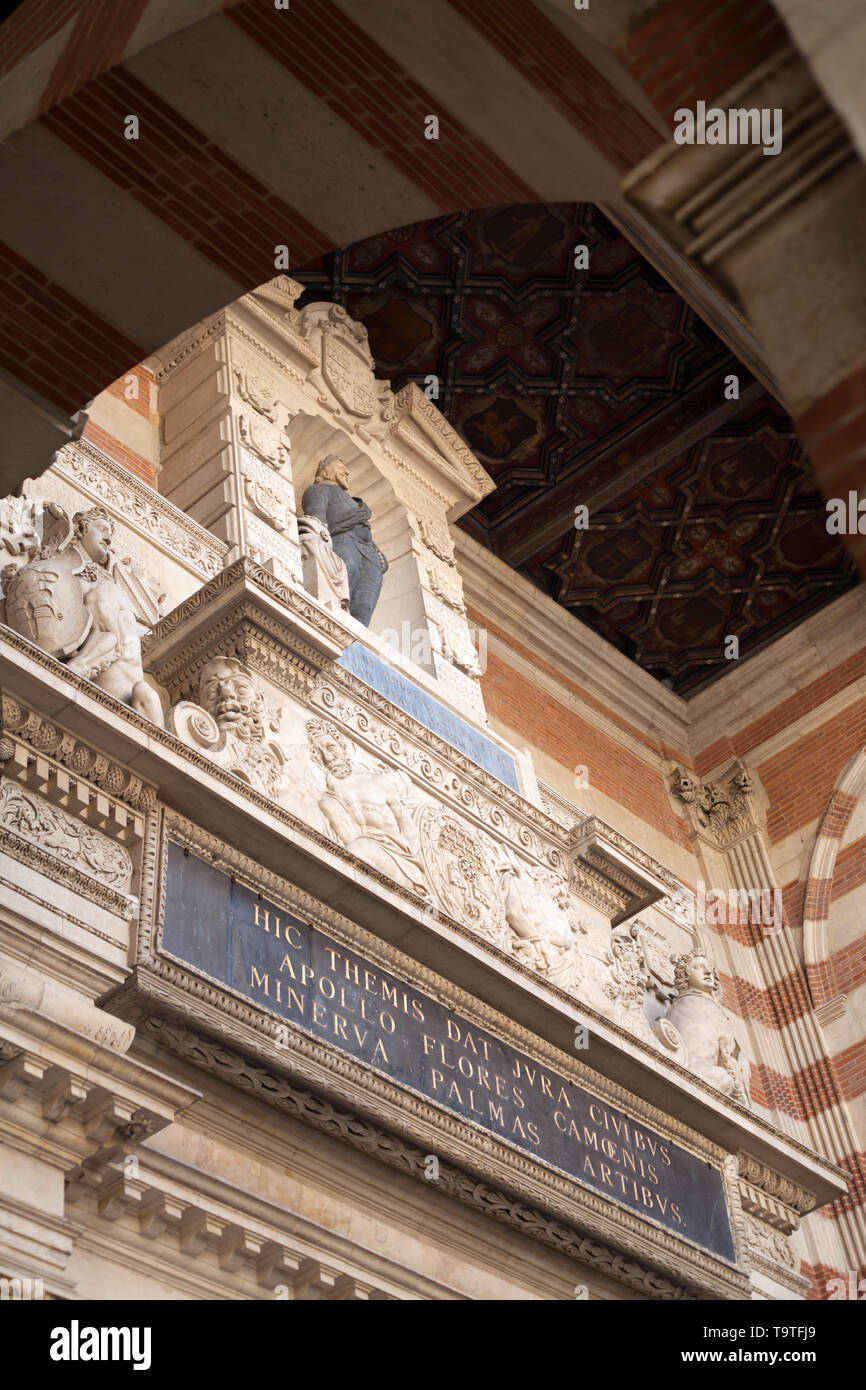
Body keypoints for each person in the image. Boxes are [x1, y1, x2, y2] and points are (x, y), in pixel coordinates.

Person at [300, 457, 387, 625]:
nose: (346, 473)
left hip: (368, 551)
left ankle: (358, 636)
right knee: (345, 581)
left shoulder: (356, 503)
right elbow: (315, 518)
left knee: (367, 598)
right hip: (343, 542)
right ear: (325, 472)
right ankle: (333, 623)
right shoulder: (318, 490)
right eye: (341, 468)